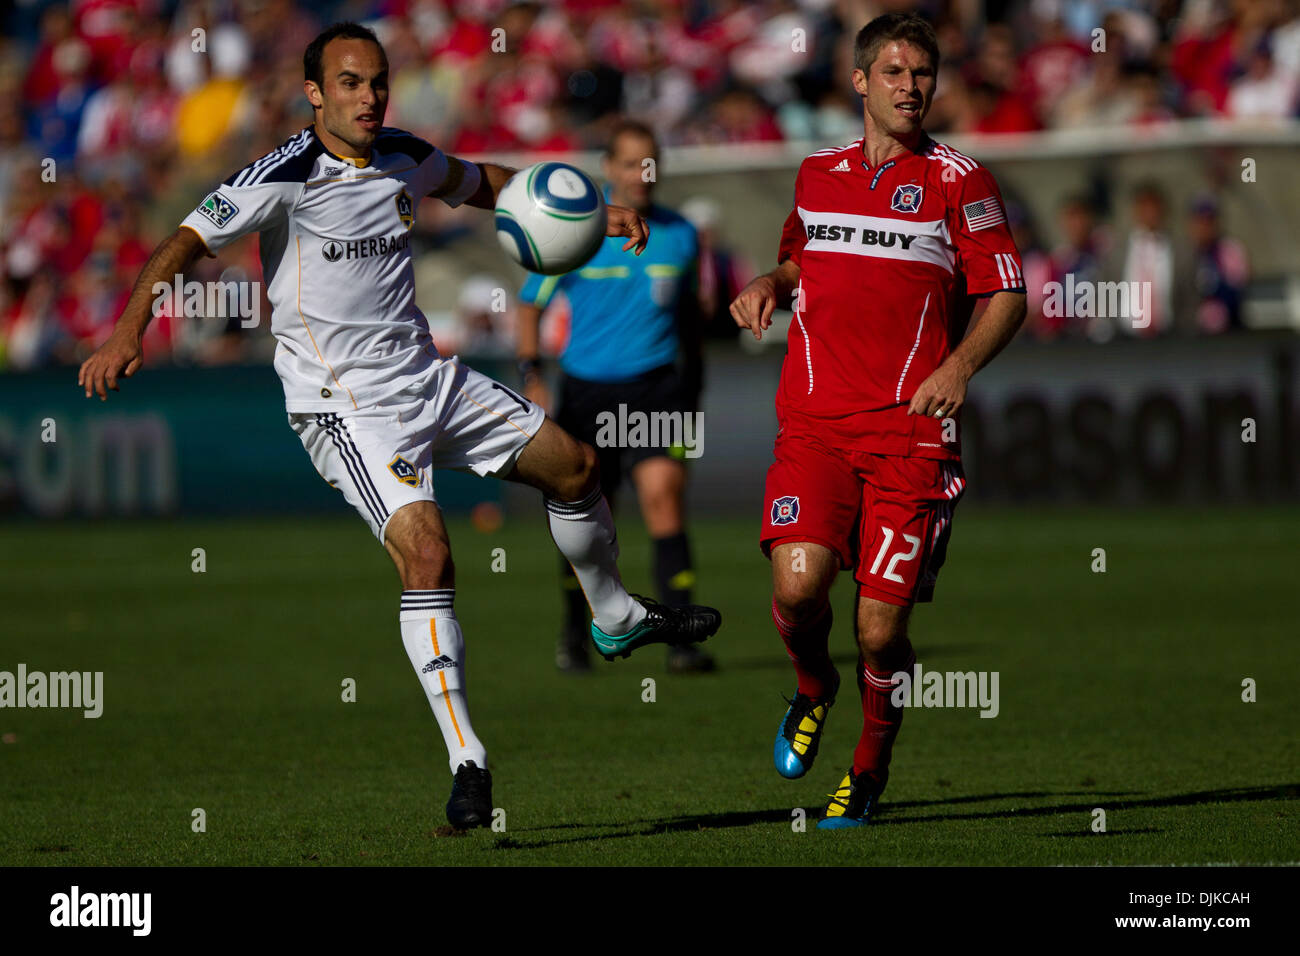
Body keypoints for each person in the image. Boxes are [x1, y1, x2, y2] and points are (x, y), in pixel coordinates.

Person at [77, 22, 720, 830]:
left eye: (377, 81)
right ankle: (468, 760)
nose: (369, 96)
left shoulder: (403, 154)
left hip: (430, 379)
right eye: (349, 83)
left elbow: (481, 180)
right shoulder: (285, 174)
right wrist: (130, 326)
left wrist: (589, 210)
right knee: (428, 549)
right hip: (344, 406)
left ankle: (616, 617)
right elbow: (184, 240)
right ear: (314, 93)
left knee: (577, 467)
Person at [729, 12, 1026, 829]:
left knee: (879, 629)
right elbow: (801, 258)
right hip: (815, 424)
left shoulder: (960, 180)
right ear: (859, 81)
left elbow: (1007, 292)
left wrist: (958, 365)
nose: (909, 87)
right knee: (796, 588)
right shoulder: (815, 171)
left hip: (908, 434)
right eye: (892, 72)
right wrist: (767, 281)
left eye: (922, 74)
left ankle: (868, 768)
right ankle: (812, 687)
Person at [516, 119, 715, 675]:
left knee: (664, 502)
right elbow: (529, 303)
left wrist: (693, 386)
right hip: (586, 392)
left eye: (650, 162)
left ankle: (681, 640)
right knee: (591, 522)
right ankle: (576, 635)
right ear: (609, 168)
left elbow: (690, 321)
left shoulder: (681, 234)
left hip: (659, 391)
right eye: (631, 163)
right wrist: (532, 373)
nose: (642, 174)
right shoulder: (578, 229)